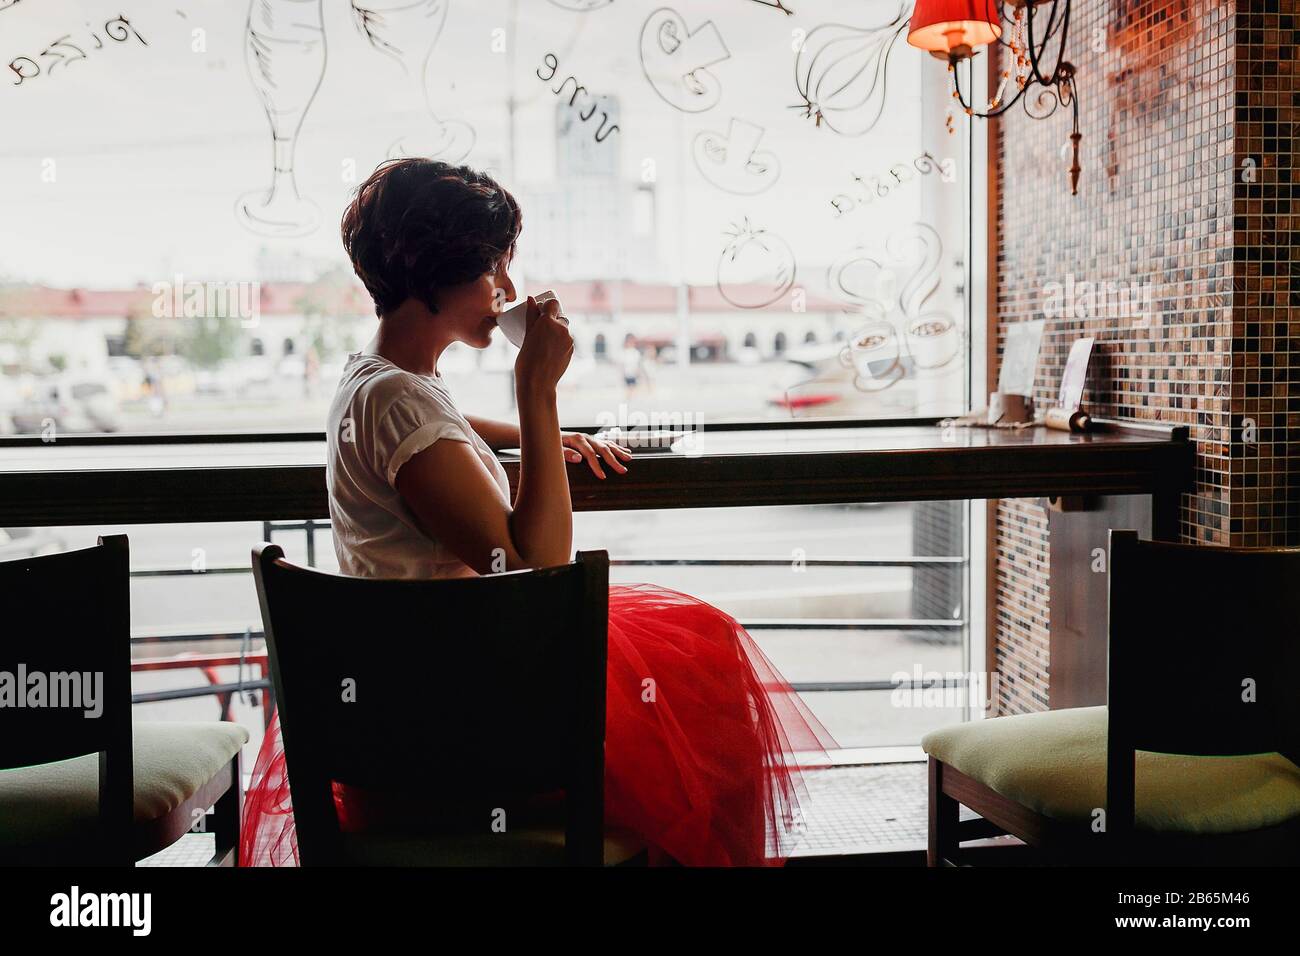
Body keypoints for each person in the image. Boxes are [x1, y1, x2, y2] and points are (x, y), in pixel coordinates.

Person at [240, 158, 836, 867]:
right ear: (436, 271)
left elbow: (444, 427)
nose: (508, 290)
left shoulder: (376, 380)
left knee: (689, 677)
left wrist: (542, 436)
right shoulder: (399, 401)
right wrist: (539, 392)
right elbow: (535, 565)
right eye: (494, 266)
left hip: (404, 704)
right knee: (707, 670)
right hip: (450, 739)